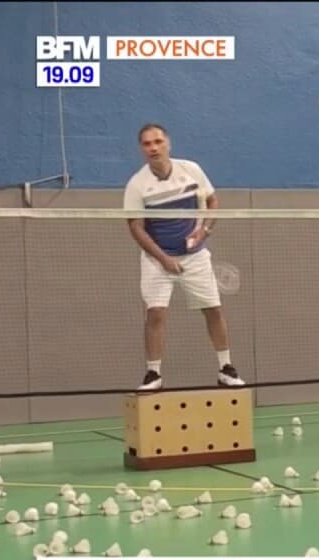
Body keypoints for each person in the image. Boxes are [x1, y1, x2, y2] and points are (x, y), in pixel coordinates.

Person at [124, 123, 245, 391]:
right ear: (141, 149)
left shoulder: (191, 170)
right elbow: (135, 228)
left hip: (195, 256)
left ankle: (226, 368)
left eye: (158, 141)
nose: (153, 148)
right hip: (157, 259)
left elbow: (213, 202)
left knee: (213, 309)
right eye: (147, 144)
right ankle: (153, 374)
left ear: (168, 143)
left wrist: (204, 231)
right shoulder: (137, 185)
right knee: (155, 314)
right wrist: (164, 259)